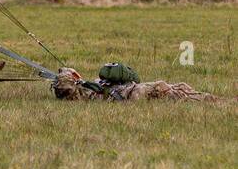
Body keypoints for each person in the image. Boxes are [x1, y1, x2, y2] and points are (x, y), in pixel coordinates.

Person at [52, 66, 219, 102]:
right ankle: (213, 100)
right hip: (132, 93)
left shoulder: (86, 88)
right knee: (168, 90)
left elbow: (65, 78)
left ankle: (210, 99)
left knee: (180, 87)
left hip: (130, 90)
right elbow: (65, 82)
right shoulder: (84, 92)